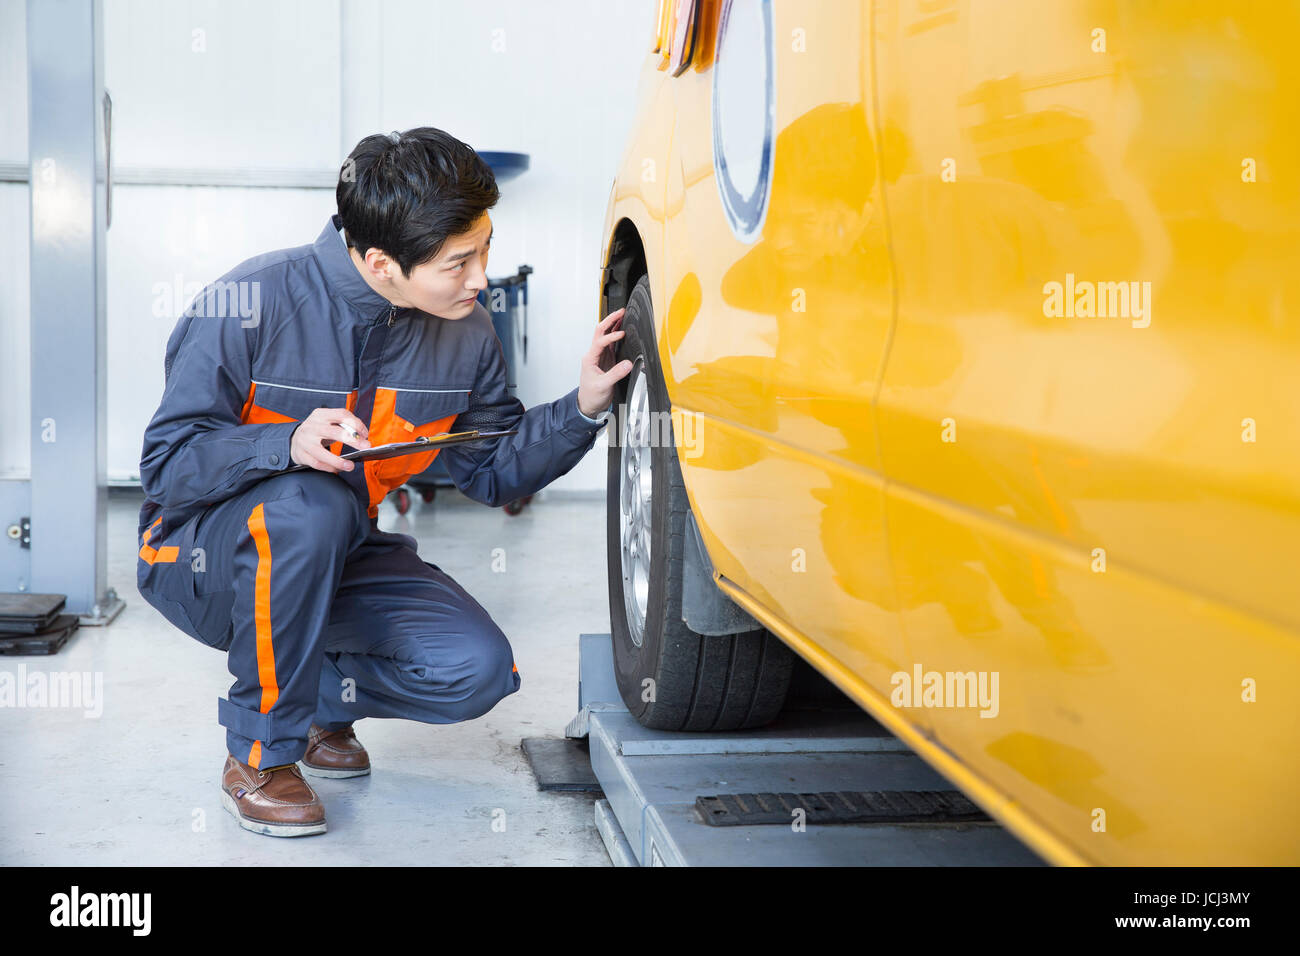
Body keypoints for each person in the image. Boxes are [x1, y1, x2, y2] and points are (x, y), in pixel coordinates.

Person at [135, 127, 632, 837]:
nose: (481, 278)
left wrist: (582, 406)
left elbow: (492, 469)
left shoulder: (465, 333)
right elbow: (168, 463)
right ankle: (257, 756)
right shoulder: (249, 303)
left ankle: (316, 710)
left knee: (476, 668)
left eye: (484, 248)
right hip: (196, 556)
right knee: (306, 505)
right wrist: (284, 441)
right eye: (459, 262)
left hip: (334, 550)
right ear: (380, 262)